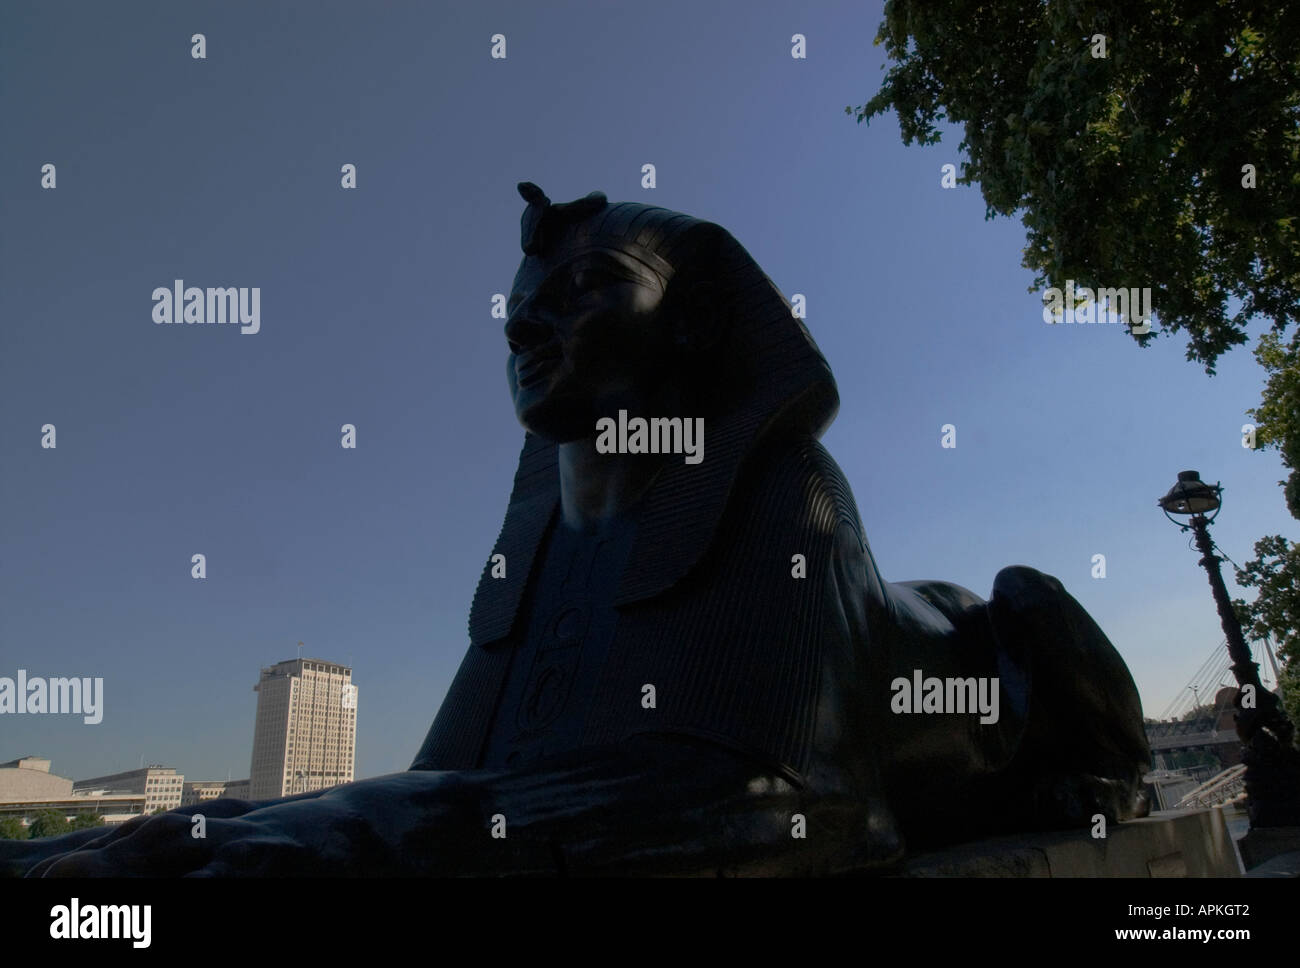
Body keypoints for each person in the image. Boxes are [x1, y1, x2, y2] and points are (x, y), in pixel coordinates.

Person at [3, 184, 1148, 877]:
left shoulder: (783, 490)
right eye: (524, 302)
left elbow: (809, 811)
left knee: (1027, 594)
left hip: (986, 694)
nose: (531, 317)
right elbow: (449, 781)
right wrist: (206, 835)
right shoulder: (539, 539)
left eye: (593, 285)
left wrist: (352, 844)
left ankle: (1109, 765)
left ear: (697, 320)